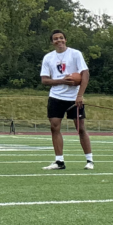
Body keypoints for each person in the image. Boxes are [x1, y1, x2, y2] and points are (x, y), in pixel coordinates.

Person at [40, 30, 94, 170]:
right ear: (52, 42)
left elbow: (85, 74)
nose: (59, 40)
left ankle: (89, 160)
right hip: (56, 97)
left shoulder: (75, 54)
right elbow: (44, 80)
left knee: (80, 128)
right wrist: (62, 81)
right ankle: (59, 161)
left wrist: (80, 95)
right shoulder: (48, 57)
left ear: (65, 39)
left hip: (73, 97)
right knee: (54, 127)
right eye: (55, 39)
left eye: (61, 38)